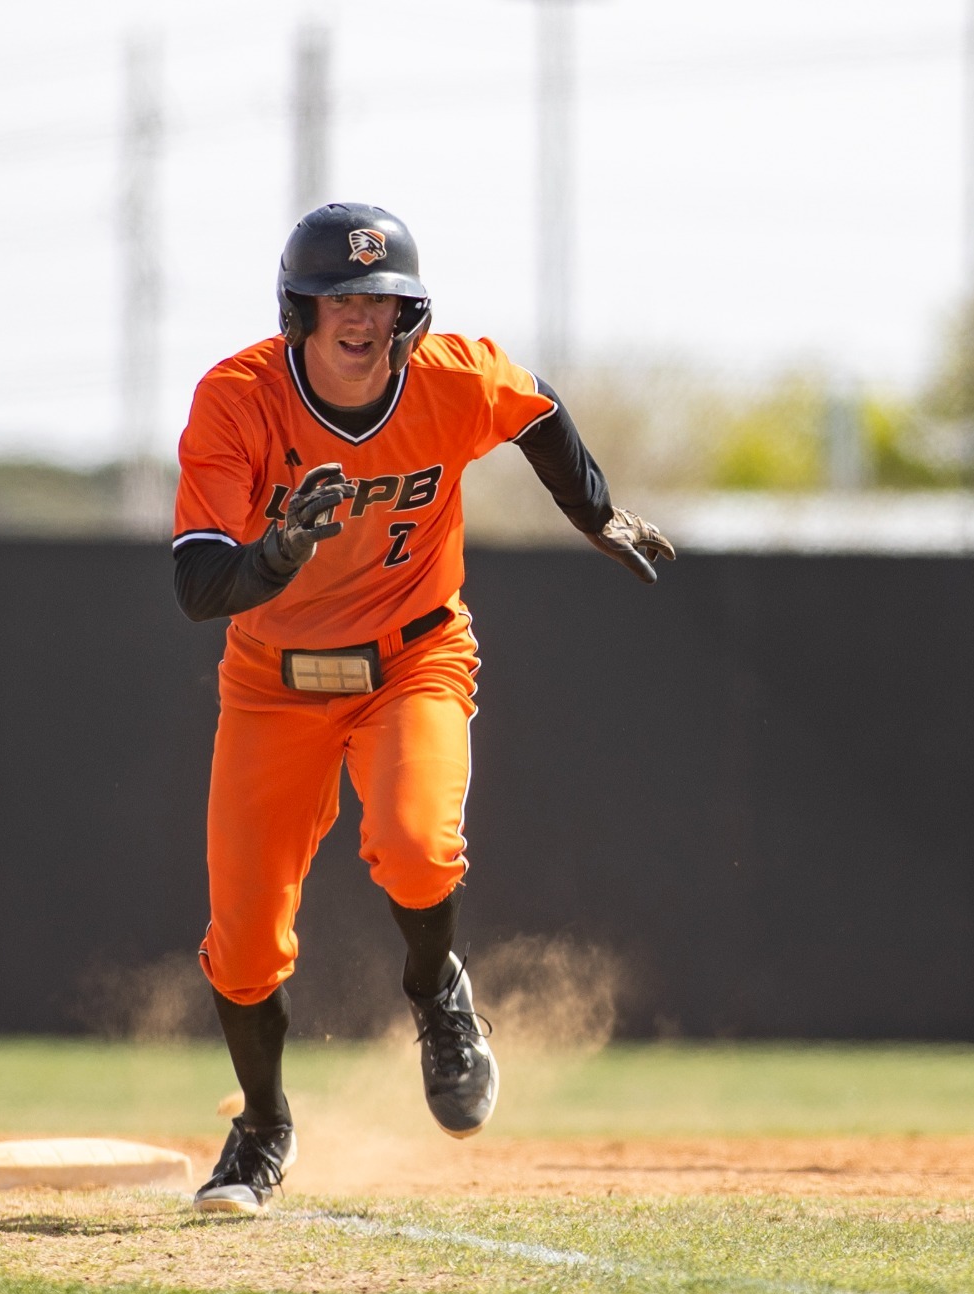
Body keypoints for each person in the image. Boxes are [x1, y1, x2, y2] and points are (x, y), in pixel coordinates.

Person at [170, 202, 673, 1214]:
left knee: (413, 840)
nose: (364, 318)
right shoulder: (238, 397)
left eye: (385, 300)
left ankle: (437, 991)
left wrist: (594, 511)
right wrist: (277, 553)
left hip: (412, 658)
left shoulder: (448, 376)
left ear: (413, 313)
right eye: (342, 299)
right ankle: (263, 1127)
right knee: (245, 935)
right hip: (273, 681)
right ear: (299, 312)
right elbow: (196, 585)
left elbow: (534, 409)